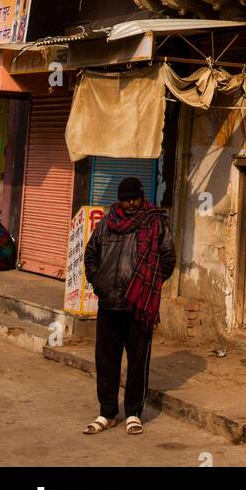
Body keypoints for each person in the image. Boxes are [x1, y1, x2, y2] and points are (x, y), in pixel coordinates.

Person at [83, 177, 176, 436]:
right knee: (106, 361)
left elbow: (168, 257)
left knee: (137, 362)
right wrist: (99, 281)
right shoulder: (107, 223)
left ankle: (134, 412)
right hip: (109, 304)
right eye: (126, 199)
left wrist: (149, 287)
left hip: (138, 307)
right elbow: (91, 254)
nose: (131, 203)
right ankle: (107, 412)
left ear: (141, 196)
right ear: (119, 200)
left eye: (135, 198)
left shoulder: (155, 222)